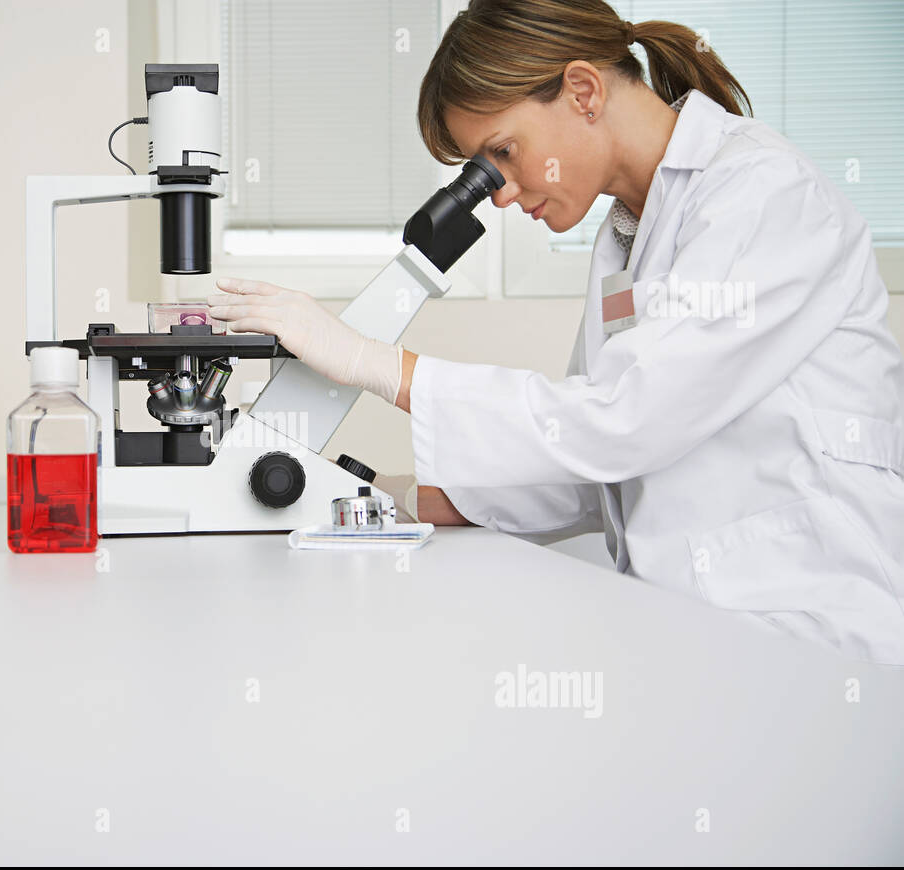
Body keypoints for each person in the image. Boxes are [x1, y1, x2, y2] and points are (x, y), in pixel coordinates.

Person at [206, 0, 904, 665]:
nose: (501, 192)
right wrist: (371, 501)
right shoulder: (631, 233)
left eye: (503, 152)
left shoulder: (764, 197)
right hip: (711, 632)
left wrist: (371, 363)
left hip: (814, 633)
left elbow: (623, 421)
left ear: (583, 91)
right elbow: (594, 470)